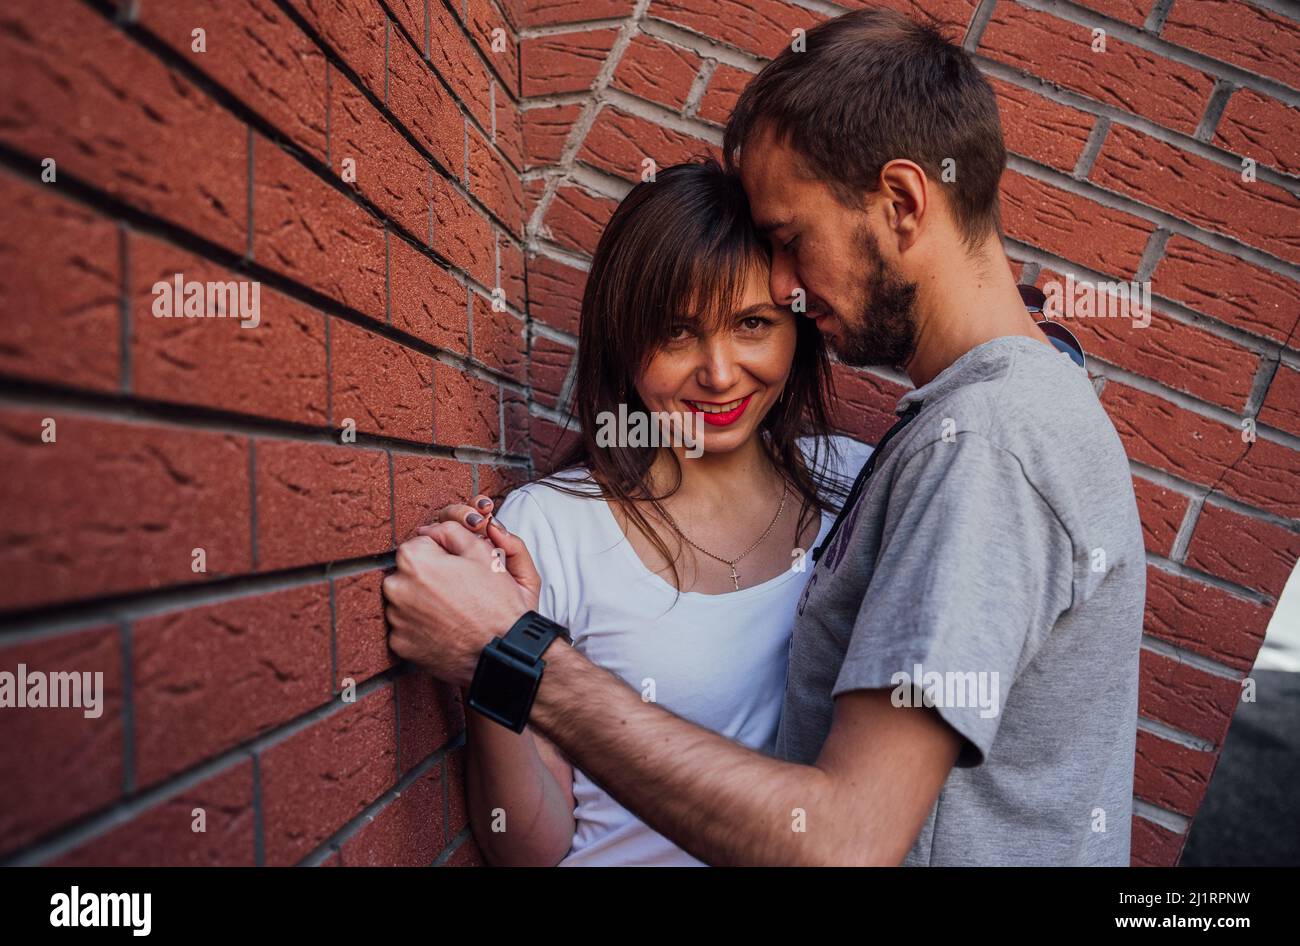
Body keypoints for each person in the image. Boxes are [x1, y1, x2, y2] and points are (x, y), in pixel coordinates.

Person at [383, 8, 1146, 866]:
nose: (785, 286)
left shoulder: (985, 444)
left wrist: (511, 651)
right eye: (677, 334)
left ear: (902, 201)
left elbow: (841, 845)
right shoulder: (999, 412)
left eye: (789, 242)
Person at [437, 158, 868, 865]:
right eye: (676, 334)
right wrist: (491, 644)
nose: (721, 372)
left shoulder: (856, 485)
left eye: (753, 324)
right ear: (623, 342)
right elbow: (528, 852)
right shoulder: (549, 527)